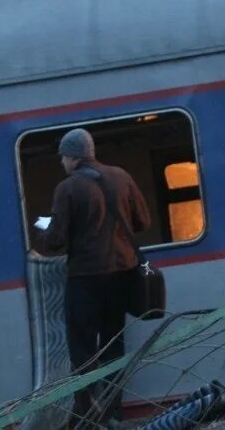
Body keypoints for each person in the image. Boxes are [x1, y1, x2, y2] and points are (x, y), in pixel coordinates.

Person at [39, 128, 150, 425]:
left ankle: (88, 414)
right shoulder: (122, 176)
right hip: (122, 276)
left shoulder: (68, 188)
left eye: (62, 156)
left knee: (83, 349)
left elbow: (55, 240)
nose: (62, 162)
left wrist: (45, 230)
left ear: (72, 156)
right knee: (114, 344)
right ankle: (114, 411)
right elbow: (142, 221)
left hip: (85, 279)